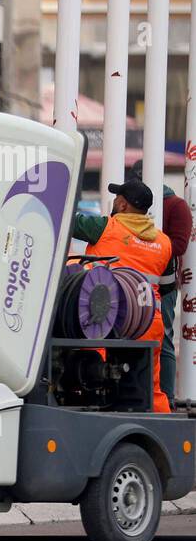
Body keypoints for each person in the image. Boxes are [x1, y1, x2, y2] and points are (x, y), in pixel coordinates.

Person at [74, 178, 174, 413]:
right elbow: (168, 287)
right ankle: (165, 432)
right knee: (151, 387)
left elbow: (67, 220)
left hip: (105, 317)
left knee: (93, 377)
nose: (115, 200)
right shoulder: (163, 242)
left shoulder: (105, 228)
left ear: (122, 205)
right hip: (148, 321)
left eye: (117, 197)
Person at [130, 161, 192, 405]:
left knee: (163, 338)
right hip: (133, 279)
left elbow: (179, 245)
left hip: (161, 284)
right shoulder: (138, 207)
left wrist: (144, 244)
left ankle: (165, 396)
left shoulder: (176, 206)